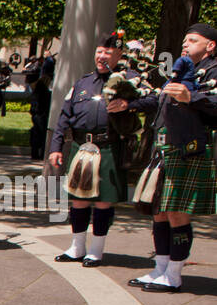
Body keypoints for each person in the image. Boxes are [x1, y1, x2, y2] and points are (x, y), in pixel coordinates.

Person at [118, 22, 217, 291]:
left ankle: (174, 275)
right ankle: (159, 269)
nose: (185, 44)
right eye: (185, 40)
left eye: (193, 40)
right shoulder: (181, 71)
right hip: (164, 148)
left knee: (176, 214)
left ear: (210, 46)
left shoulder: (213, 72)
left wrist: (192, 97)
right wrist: (129, 104)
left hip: (188, 149)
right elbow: (159, 99)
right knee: (159, 212)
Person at [47, 33, 138, 268]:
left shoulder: (129, 81)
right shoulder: (83, 82)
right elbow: (64, 116)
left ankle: (96, 251)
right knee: (78, 200)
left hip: (108, 146)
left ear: (118, 55)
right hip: (81, 147)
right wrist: (56, 147)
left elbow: (151, 102)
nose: (102, 56)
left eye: (108, 53)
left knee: (103, 202)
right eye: (99, 52)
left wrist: (129, 103)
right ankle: (77, 247)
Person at [24, 52, 55, 159]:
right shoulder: (42, 90)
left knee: (37, 134)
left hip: (37, 113)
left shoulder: (38, 90)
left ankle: (36, 153)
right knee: (40, 135)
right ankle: (39, 153)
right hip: (40, 114)